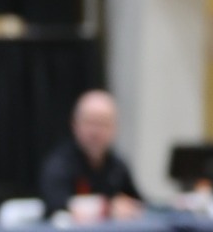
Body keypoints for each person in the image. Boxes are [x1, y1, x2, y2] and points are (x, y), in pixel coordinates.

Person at [38, 90, 144, 221]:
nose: (96, 132)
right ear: (75, 125)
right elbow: (56, 204)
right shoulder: (59, 164)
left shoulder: (117, 165)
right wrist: (108, 208)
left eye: (103, 123)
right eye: (90, 122)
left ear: (115, 128)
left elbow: (138, 202)